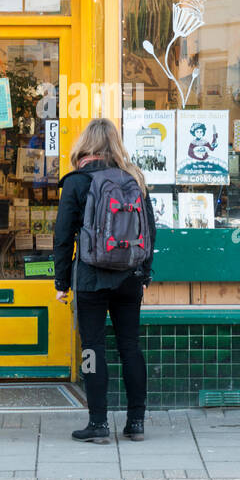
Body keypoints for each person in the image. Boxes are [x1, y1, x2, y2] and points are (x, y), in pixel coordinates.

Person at [54, 118, 156, 443]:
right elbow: (150, 232)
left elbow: (62, 236)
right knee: (130, 346)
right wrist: (145, 274)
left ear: (85, 144)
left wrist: (61, 282)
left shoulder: (76, 182)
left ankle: (98, 425)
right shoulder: (134, 178)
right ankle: (136, 422)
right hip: (129, 276)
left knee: (93, 348)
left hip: (90, 277)